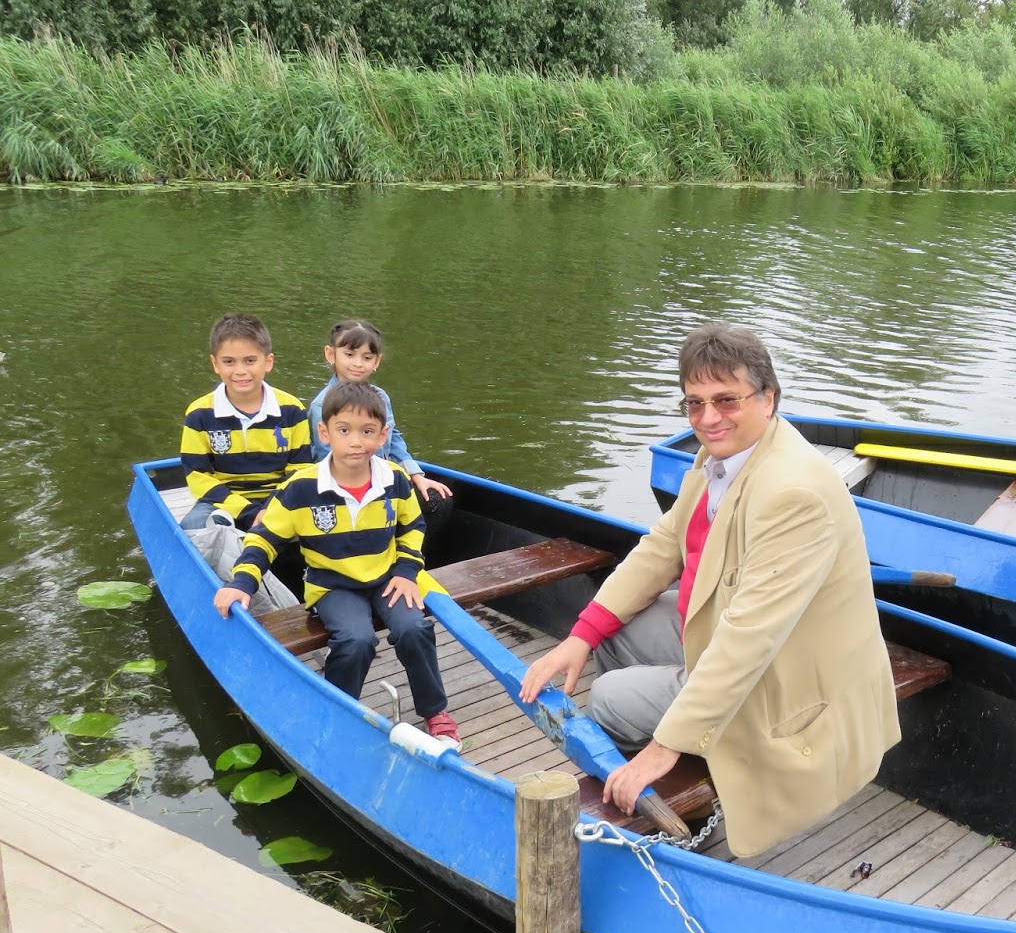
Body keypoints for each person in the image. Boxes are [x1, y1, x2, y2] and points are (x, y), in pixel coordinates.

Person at [519, 324, 900, 857]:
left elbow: (750, 639)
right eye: (694, 403)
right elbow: (663, 546)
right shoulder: (726, 456)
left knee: (609, 699)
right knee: (610, 633)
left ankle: (687, 802)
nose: (708, 418)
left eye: (726, 400)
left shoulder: (793, 494)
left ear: (769, 399)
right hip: (733, 635)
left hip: (788, 681)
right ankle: (692, 744)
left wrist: (664, 745)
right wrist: (580, 636)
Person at [213, 381, 459, 749]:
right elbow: (264, 539)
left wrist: (407, 572)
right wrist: (241, 582)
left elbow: (412, 527)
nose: (356, 442)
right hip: (333, 585)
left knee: (414, 628)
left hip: (386, 577)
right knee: (356, 639)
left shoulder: (394, 479)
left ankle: (434, 709)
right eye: (344, 430)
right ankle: (338, 709)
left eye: (367, 431)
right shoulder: (301, 487)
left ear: (383, 435)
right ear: (324, 433)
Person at [308, 319, 453, 524]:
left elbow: (393, 438)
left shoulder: (381, 397)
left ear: (376, 362)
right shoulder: (321, 406)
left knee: (436, 500)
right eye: (349, 355)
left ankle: (406, 544)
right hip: (345, 487)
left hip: (385, 478)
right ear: (331, 354)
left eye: (367, 357)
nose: (358, 363)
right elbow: (326, 458)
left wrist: (415, 474)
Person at [179, 314, 312, 531]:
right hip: (223, 501)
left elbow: (300, 469)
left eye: (250, 361)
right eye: (229, 362)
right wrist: (248, 512)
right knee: (194, 526)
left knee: (318, 521)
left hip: (279, 500)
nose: (240, 371)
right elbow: (198, 477)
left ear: (268, 362)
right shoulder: (199, 414)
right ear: (215, 364)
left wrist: (270, 509)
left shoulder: (292, 409)